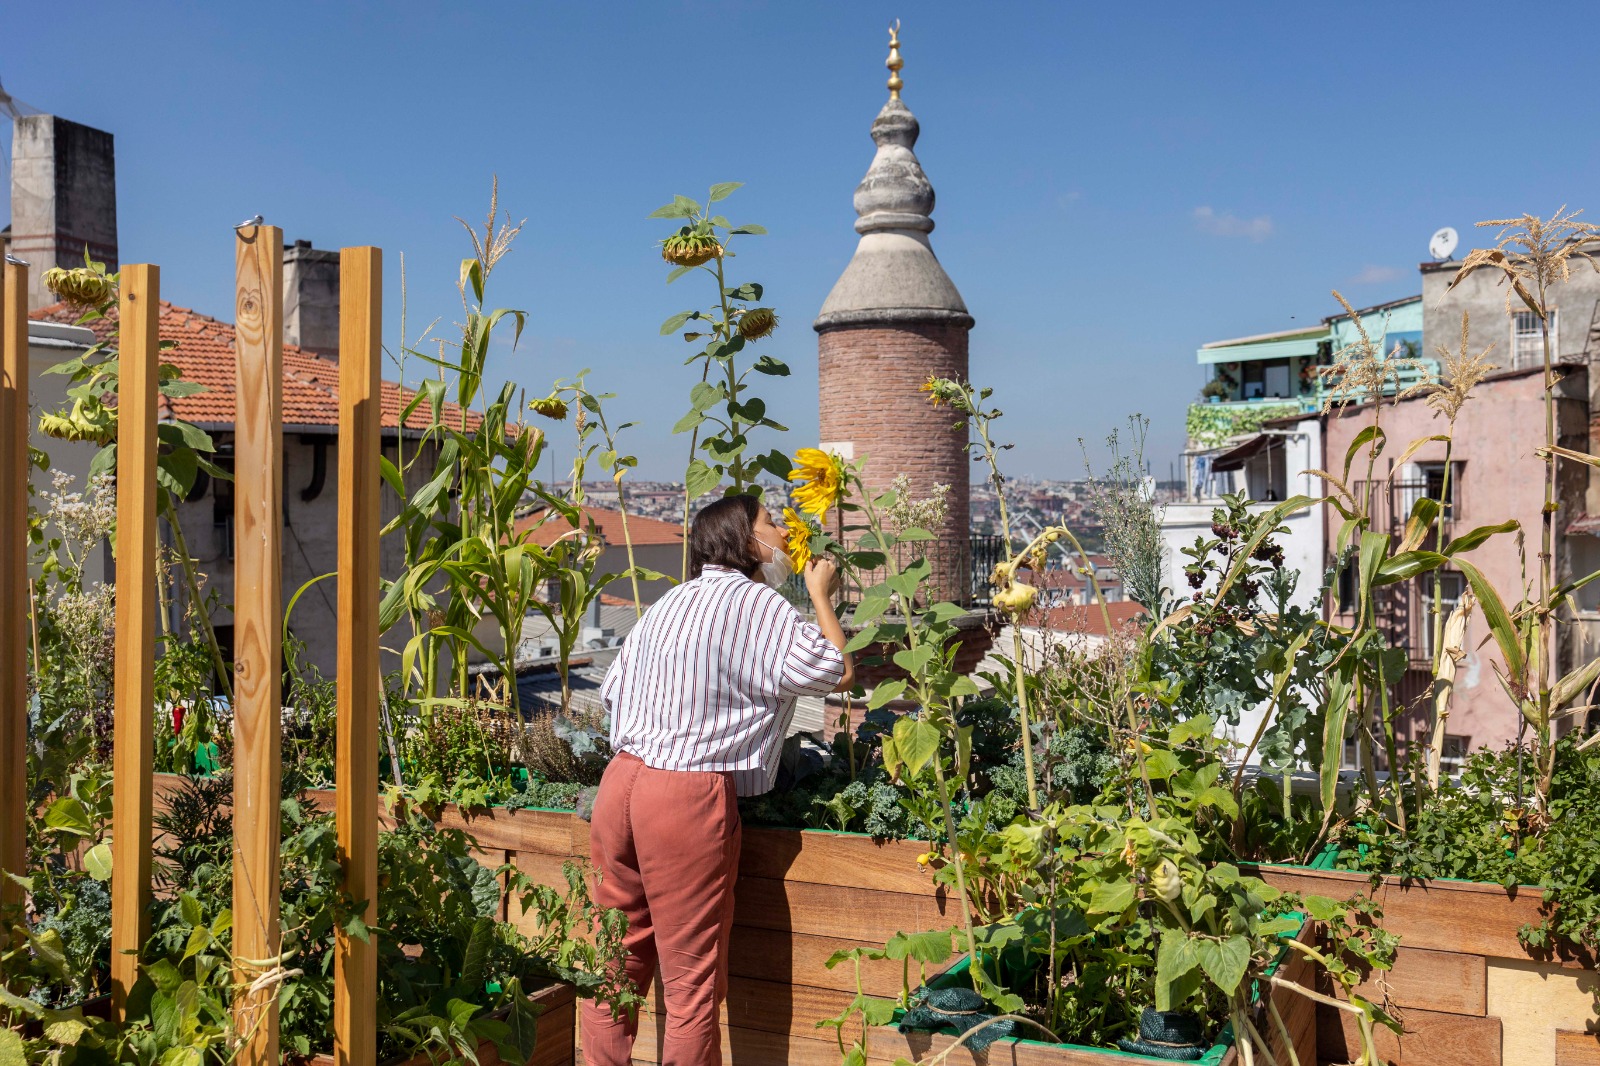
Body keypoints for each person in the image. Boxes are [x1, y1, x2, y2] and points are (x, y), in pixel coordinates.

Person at [578, 495, 855, 1066]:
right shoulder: (758, 603)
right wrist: (821, 593)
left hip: (620, 783)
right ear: (745, 541)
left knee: (613, 965)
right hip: (684, 794)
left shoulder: (668, 602)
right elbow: (836, 669)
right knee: (690, 986)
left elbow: (612, 691)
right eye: (769, 523)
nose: (779, 532)